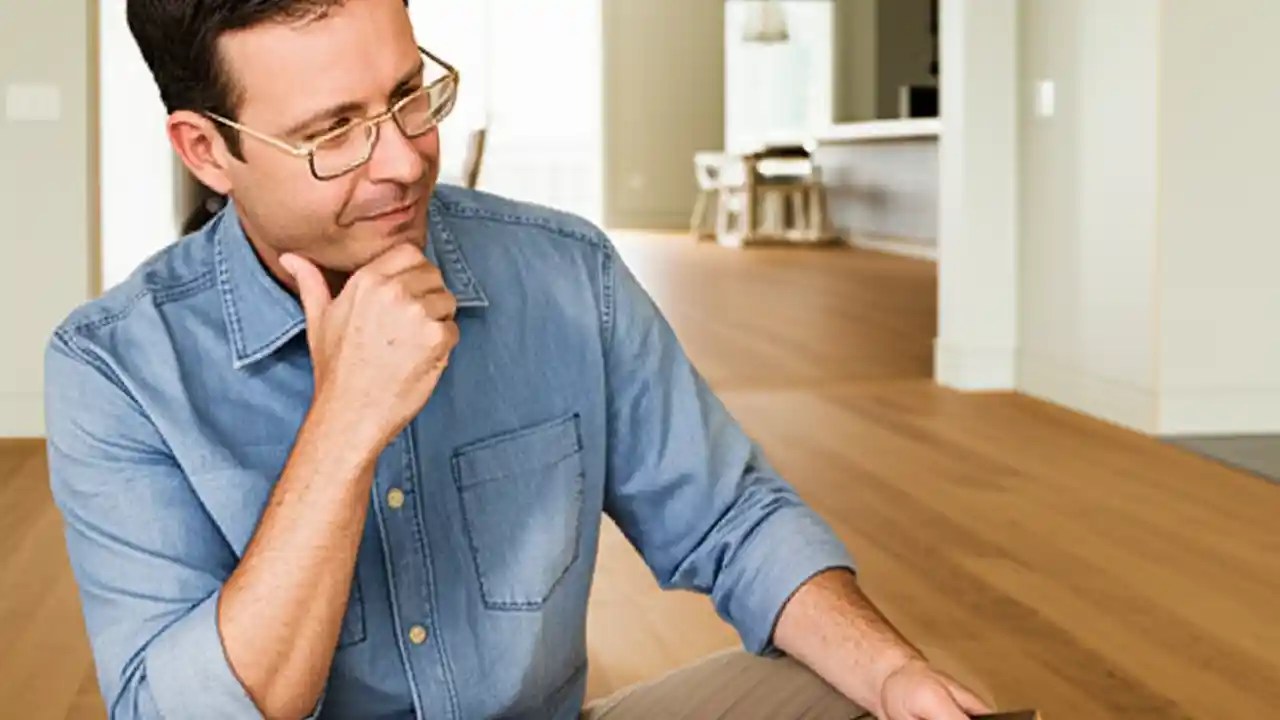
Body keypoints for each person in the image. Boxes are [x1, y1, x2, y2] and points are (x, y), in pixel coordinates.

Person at [44, 1, 993, 718]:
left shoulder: (566, 272)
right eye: (333, 133)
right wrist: (345, 424)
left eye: (408, 97)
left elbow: (732, 519)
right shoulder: (115, 368)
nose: (403, 162)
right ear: (207, 151)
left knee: (855, 693)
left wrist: (893, 672)